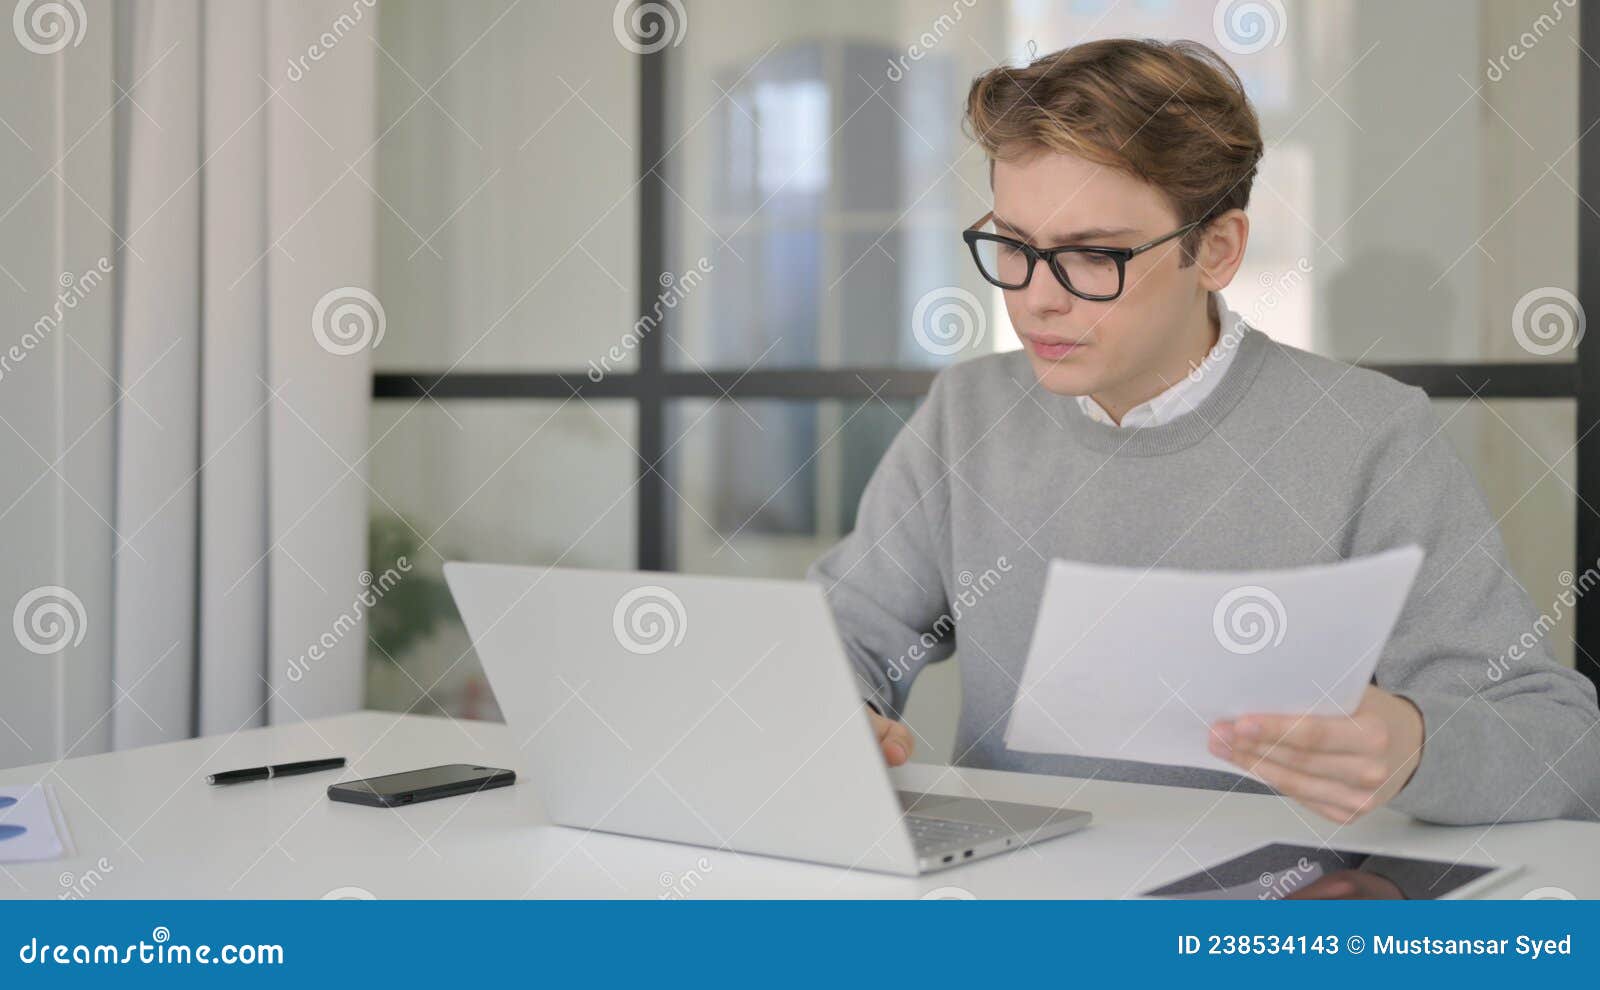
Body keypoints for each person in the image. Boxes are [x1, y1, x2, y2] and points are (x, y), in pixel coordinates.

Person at [808, 37, 1600, 825]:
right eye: (1014, 246)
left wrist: (1419, 744)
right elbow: (841, 637)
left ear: (1216, 251)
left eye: (1092, 256)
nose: (1036, 300)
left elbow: (1559, 740)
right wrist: (835, 715)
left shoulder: (1369, 436)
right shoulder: (968, 412)